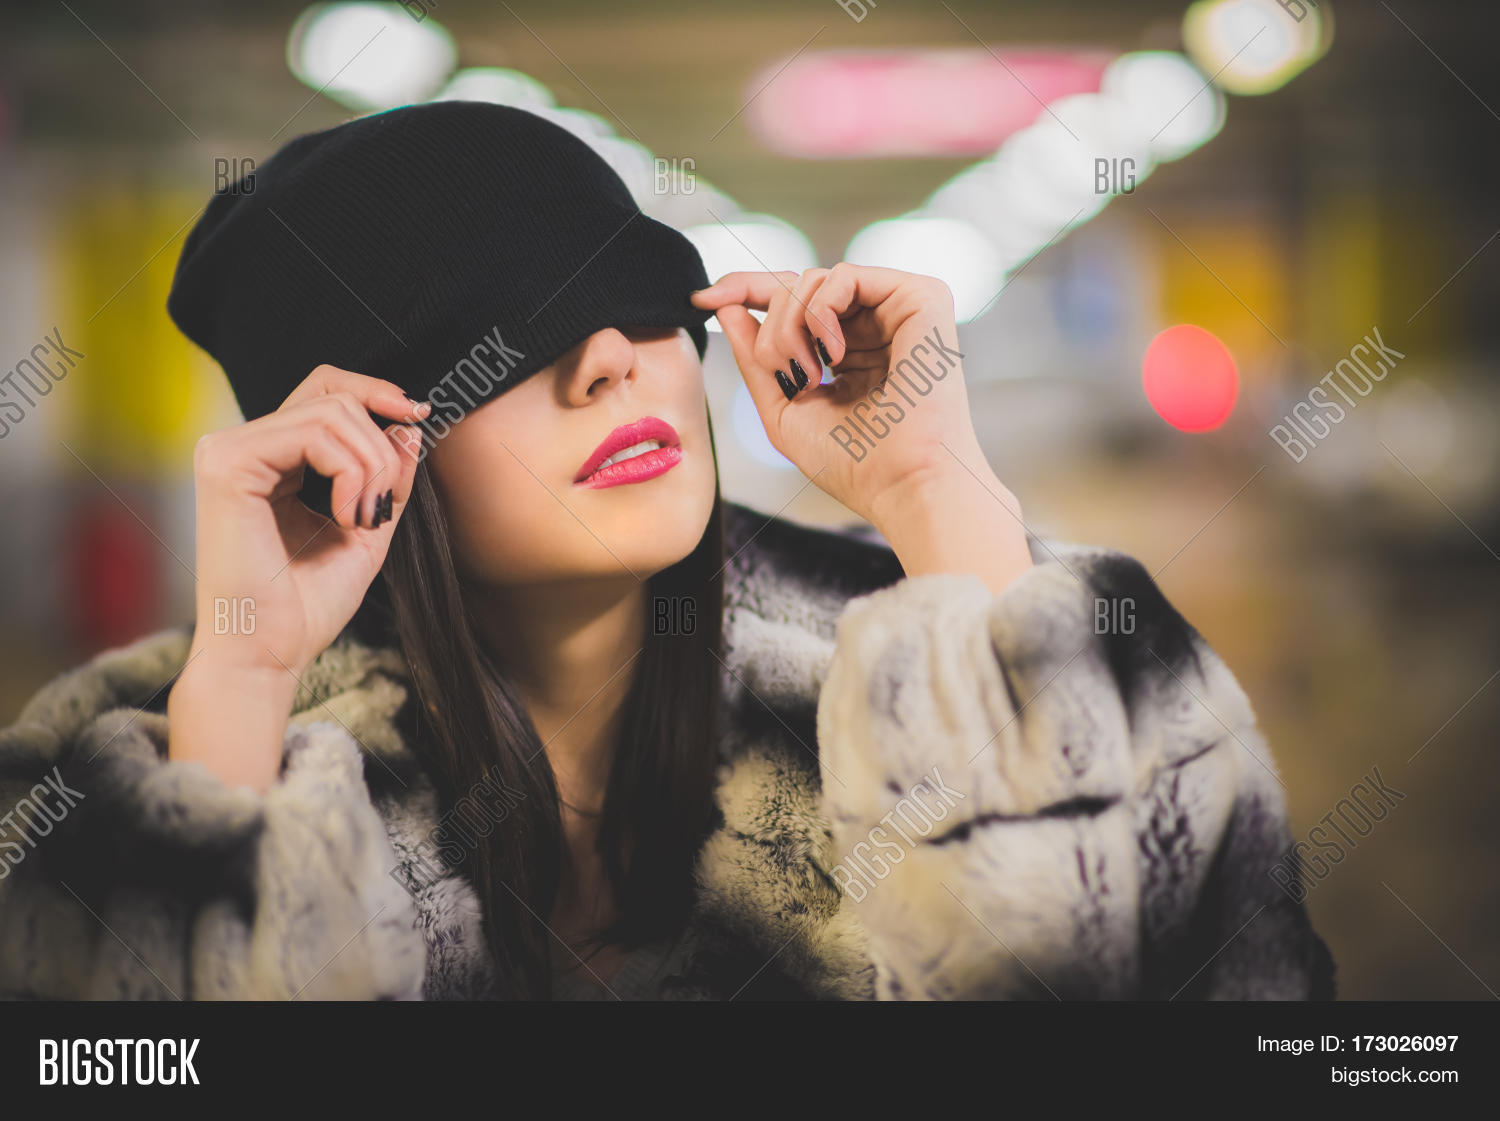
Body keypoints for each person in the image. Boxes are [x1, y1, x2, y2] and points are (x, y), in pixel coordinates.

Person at [0, 101, 1333, 1000]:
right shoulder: (123, 758)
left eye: (631, 290)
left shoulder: (981, 658)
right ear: (342, 446)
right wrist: (240, 684)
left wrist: (936, 490)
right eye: (496, 339)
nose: (608, 360)